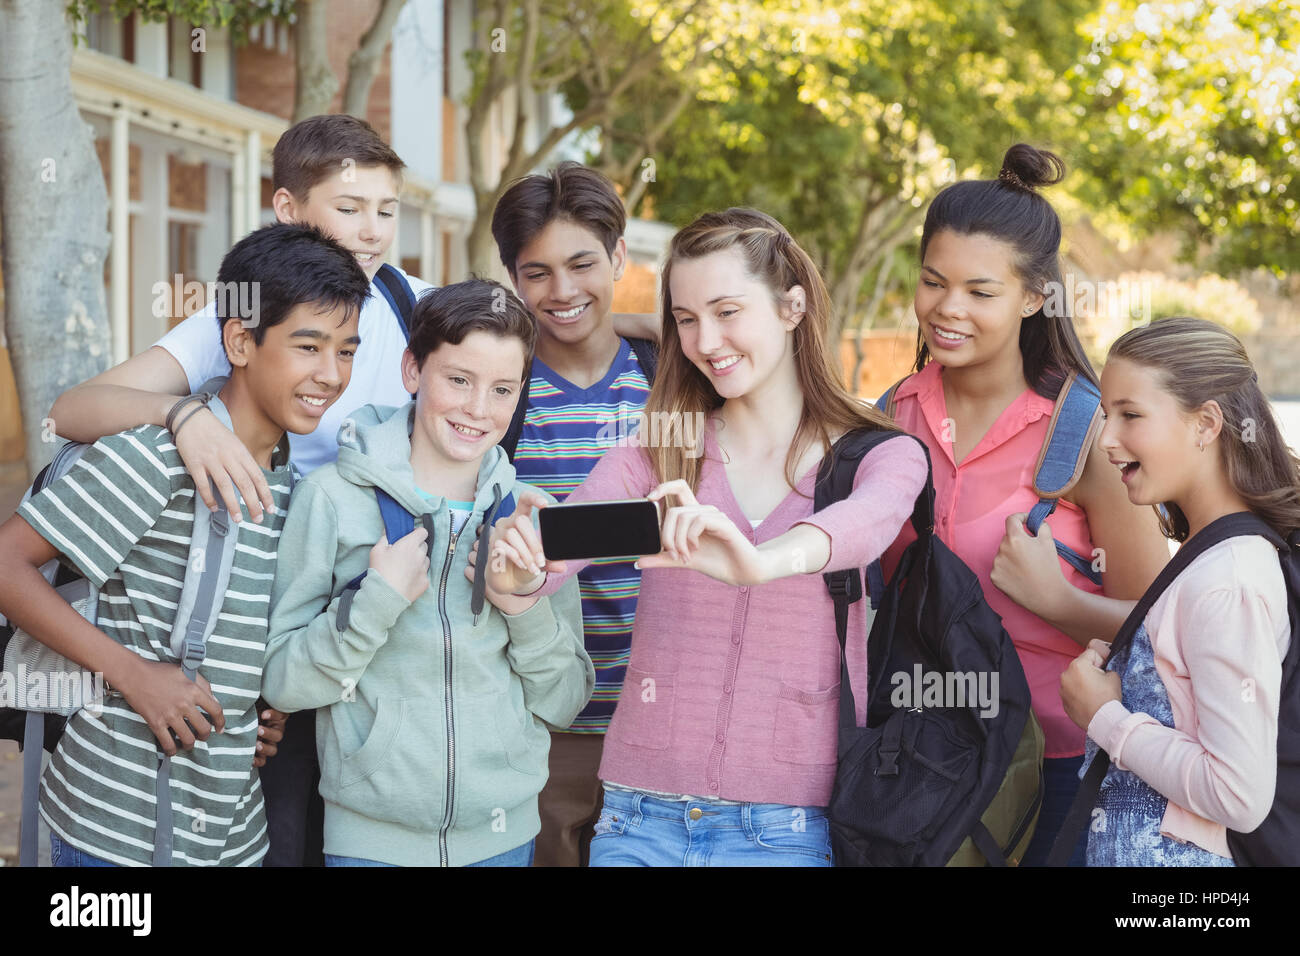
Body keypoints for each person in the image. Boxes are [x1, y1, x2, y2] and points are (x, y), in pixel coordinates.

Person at [487, 208, 929, 866]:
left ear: (792, 306)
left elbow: (865, 525)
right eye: (686, 320)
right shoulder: (661, 448)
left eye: (726, 311)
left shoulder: (880, 453)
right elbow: (549, 561)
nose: (704, 341)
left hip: (787, 825)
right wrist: (517, 567)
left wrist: (760, 561)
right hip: (637, 816)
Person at [47, 114, 429, 865]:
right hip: (240, 575)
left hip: (363, 615)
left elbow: (509, 346)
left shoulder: (417, 305)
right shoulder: (256, 304)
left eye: (387, 210)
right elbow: (70, 411)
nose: (372, 229)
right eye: (349, 207)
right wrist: (184, 415)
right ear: (287, 209)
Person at [0, 222, 369, 866]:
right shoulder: (157, 457)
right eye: (308, 346)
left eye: (346, 350)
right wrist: (135, 675)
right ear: (239, 340)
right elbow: (6, 565)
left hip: (231, 832)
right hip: (114, 834)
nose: (331, 374)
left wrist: (252, 703)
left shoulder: (289, 478)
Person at [877, 144, 1171, 866]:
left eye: (981, 292)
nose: (948, 309)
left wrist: (1057, 601)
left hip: (1060, 769)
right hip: (916, 760)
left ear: (1035, 297)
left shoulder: (1089, 434)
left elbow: (1159, 627)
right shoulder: (888, 420)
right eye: (932, 282)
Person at [261, 279, 593, 867]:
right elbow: (282, 681)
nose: (477, 409)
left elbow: (564, 701)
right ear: (413, 369)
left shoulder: (530, 513)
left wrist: (523, 606)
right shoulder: (332, 500)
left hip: (504, 840)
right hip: (369, 844)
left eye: (502, 389)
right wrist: (375, 603)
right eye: (458, 380)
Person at [1061, 316, 1293, 865]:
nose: (1107, 440)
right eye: (1105, 415)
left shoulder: (1229, 579)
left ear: (1206, 424)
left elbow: (1238, 794)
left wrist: (1106, 717)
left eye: (1130, 415)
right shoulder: (1211, 558)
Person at [490, 162, 657, 866]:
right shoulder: (497, 394)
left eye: (583, 264)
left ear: (619, 257)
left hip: (660, 718)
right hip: (538, 724)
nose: (562, 292)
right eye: (536, 273)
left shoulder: (673, 375)